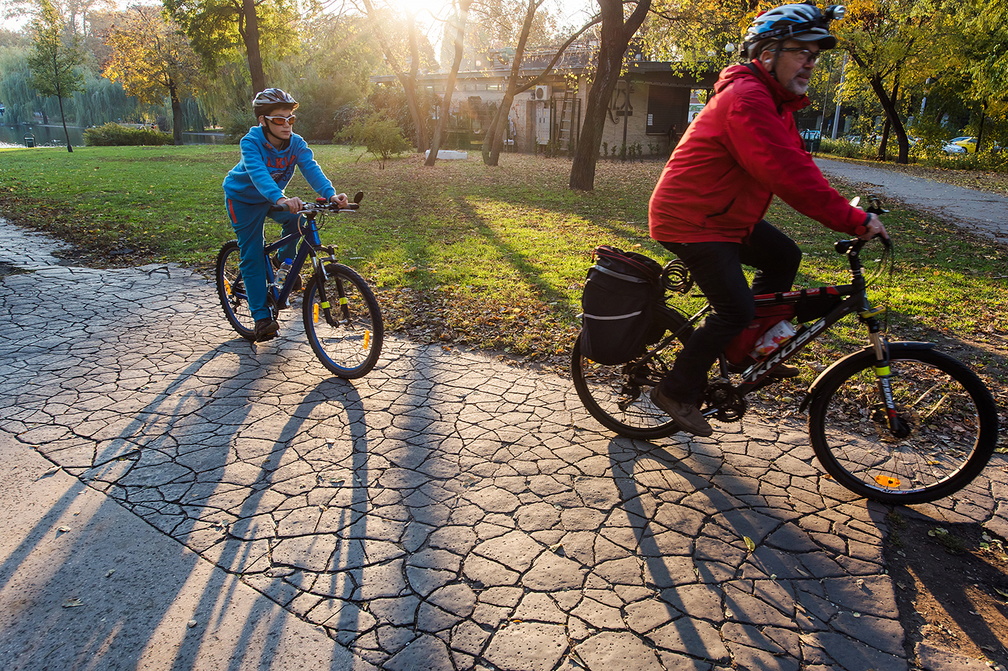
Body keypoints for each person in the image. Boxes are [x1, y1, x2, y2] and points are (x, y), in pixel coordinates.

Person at [647, 2, 888, 437]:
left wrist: (850, 209)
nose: (810, 63)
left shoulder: (776, 105)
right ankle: (676, 391)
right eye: (802, 52)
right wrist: (852, 220)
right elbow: (786, 174)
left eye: (815, 55)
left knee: (784, 256)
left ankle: (746, 350)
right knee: (734, 309)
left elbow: (799, 163)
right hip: (691, 220)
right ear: (767, 54)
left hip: (724, 218)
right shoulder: (746, 100)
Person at [222, 88, 348, 342]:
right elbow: (258, 173)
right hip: (243, 200)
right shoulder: (251, 142)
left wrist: (331, 195)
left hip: (273, 198)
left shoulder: (296, 143)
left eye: (290, 119)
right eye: (279, 119)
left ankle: (282, 262)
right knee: (253, 254)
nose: (286, 124)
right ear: (263, 120)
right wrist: (280, 198)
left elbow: (311, 168)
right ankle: (261, 318)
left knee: (297, 221)